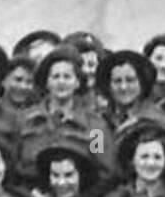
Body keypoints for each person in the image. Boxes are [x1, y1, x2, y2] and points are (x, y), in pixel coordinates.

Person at [16, 44, 113, 185]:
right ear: (47, 82)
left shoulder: (95, 127)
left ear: (77, 83)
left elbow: (104, 172)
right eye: (55, 77)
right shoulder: (25, 120)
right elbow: (14, 166)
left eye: (67, 77)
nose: (61, 82)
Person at [0, 54, 38, 149]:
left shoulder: (36, 116)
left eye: (29, 82)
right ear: (3, 81)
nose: (23, 87)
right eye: (18, 80)